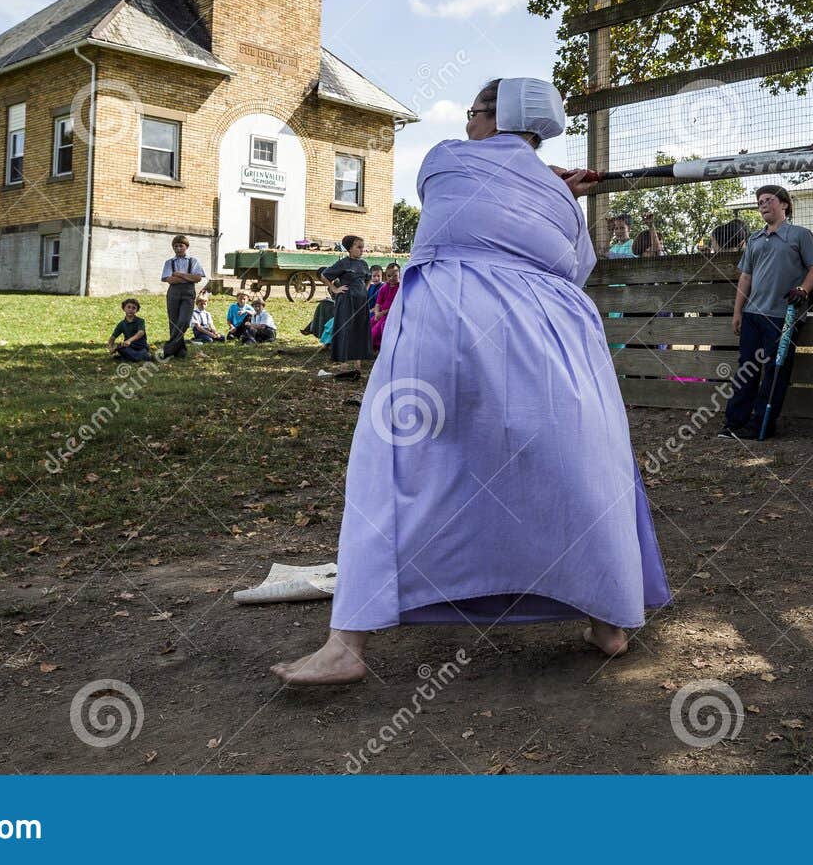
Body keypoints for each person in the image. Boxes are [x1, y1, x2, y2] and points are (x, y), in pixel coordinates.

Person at [272, 76, 669, 685]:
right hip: (558, 334)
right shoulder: (564, 204)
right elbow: (576, 267)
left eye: (475, 112)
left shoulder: (443, 161)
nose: (465, 124)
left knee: (395, 461)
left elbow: (456, 200)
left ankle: (346, 643)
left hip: (452, 318)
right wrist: (549, 185)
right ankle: (608, 619)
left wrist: (537, 179)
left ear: (496, 115)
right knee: (580, 462)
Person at [718, 185, 813, 440]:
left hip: (783, 316)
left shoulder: (800, 235)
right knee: (747, 369)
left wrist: (803, 290)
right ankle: (734, 423)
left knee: (776, 373)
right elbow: (745, 277)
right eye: (760, 201)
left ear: (784, 204)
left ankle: (760, 424)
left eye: (769, 200)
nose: (763, 204)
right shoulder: (754, 239)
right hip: (753, 313)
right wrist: (737, 312)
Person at [320, 236, 375, 368]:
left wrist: (364, 290)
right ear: (350, 249)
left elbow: (368, 279)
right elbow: (324, 275)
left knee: (359, 327)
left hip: (361, 301)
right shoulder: (343, 263)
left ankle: (357, 360)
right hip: (346, 300)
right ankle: (343, 360)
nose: (362, 250)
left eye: (363, 247)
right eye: (359, 247)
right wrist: (334, 288)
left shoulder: (363, 264)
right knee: (344, 328)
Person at [160, 235, 206, 359]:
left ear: (186, 247)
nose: (178, 248)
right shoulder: (169, 262)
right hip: (173, 293)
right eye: (175, 246)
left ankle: (168, 350)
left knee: (184, 321)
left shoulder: (193, 261)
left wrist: (179, 274)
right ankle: (180, 351)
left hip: (188, 293)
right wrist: (187, 277)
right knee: (174, 321)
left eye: (181, 246)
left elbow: (197, 278)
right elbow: (169, 279)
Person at [370, 262, 401, 350]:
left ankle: (380, 348)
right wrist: (376, 313)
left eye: (395, 275)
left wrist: (382, 313)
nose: (391, 278)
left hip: (391, 315)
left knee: (376, 330)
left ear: (399, 274)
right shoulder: (384, 287)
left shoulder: (400, 288)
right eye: (389, 276)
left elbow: (397, 305)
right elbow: (378, 304)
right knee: (368, 325)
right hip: (380, 314)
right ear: (386, 276)